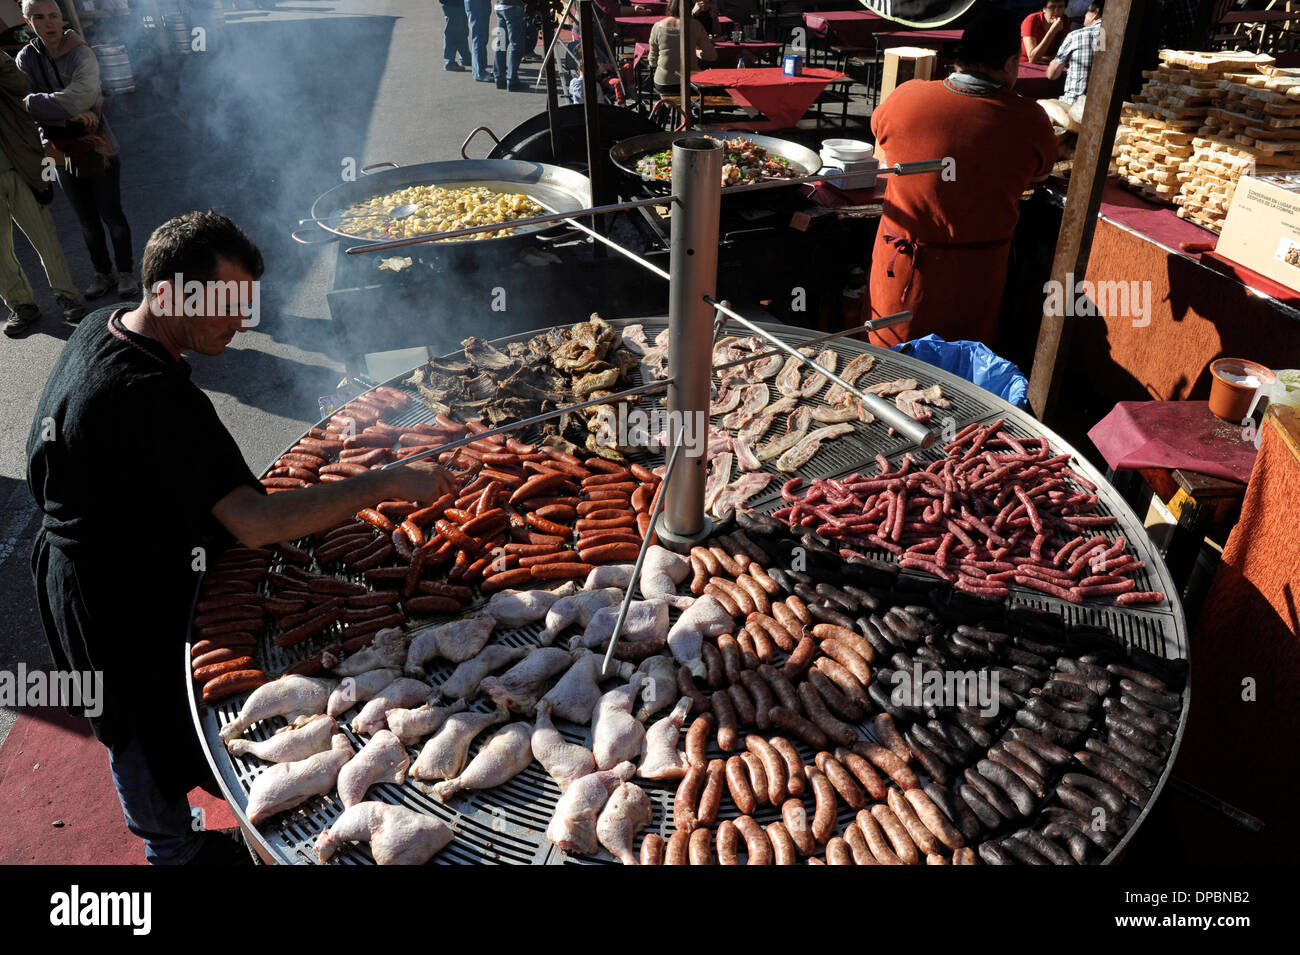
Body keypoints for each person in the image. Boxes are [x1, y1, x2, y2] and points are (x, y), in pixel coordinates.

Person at [26, 212, 455, 864]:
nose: (243, 321)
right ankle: (172, 852)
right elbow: (256, 521)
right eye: (229, 303)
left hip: (111, 568)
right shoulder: (154, 397)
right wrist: (382, 483)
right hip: (109, 598)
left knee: (150, 728)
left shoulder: (109, 326)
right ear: (171, 294)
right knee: (137, 735)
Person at [867, 9, 1057, 348]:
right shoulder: (1032, 120)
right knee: (958, 384)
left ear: (960, 57)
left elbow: (880, 137)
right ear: (1012, 63)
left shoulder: (905, 98)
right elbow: (1037, 177)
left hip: (903, 274)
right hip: (975, 279)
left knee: (886, 374)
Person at [17, 0, 137, 302]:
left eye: (54, 16)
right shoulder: (26, 58)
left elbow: (80, 97)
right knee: (85, 219)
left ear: (62, 18)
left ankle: (125, 272)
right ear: (29, 22)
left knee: (111, 215)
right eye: (39, 17)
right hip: (58, 150)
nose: (49, 23)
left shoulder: (81, 52)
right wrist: (65, 115)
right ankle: (102, 273)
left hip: (97, 146)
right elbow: (23, 103)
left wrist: (40, 105)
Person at [0, 49, 84, 337]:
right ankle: (22, 305)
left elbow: (22, 86)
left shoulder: (3, 67)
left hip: (19, 168)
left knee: (44, 238)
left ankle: (67, 296)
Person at [648, 0, 717, 95]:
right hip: (691, 82)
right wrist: (696, 51)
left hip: (664, 82)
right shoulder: (695, 25)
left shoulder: (657, 26)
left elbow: (652, 59)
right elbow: (711, 55)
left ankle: (665, 107)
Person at [1047, 1, 1103, 105]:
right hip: (1101, 104)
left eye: (1086, 12)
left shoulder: (1076, 35)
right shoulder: (1117, 38)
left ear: (1095, 13)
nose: (1084, 15)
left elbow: (1052, 74)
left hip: (1074, 103)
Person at [494, 0, 527, 91]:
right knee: (515, 44)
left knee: (501, 43)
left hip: (499, 5)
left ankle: (499, 78)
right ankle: (512, 80)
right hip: (513, 5)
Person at [465, 0, 495, 81]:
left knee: (481, 38)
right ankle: (480, 73)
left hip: (478, 5)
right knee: (479, 38)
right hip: (478, 6)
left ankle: (479, 71)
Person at [439, 0, 472, 71]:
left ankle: (466, 58)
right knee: (453, 32)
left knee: (462, 30)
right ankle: (449, 63)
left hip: (459, 3)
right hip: (451, 3)